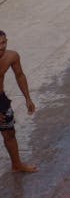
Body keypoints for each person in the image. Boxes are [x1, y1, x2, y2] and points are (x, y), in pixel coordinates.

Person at [0, 31, 37, 173]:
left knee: (9, 133)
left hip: (1, 99)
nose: (0, 47)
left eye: (3, 43)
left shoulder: (12, 56)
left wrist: (28, 98)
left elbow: (20, 75)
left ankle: (17, 165)